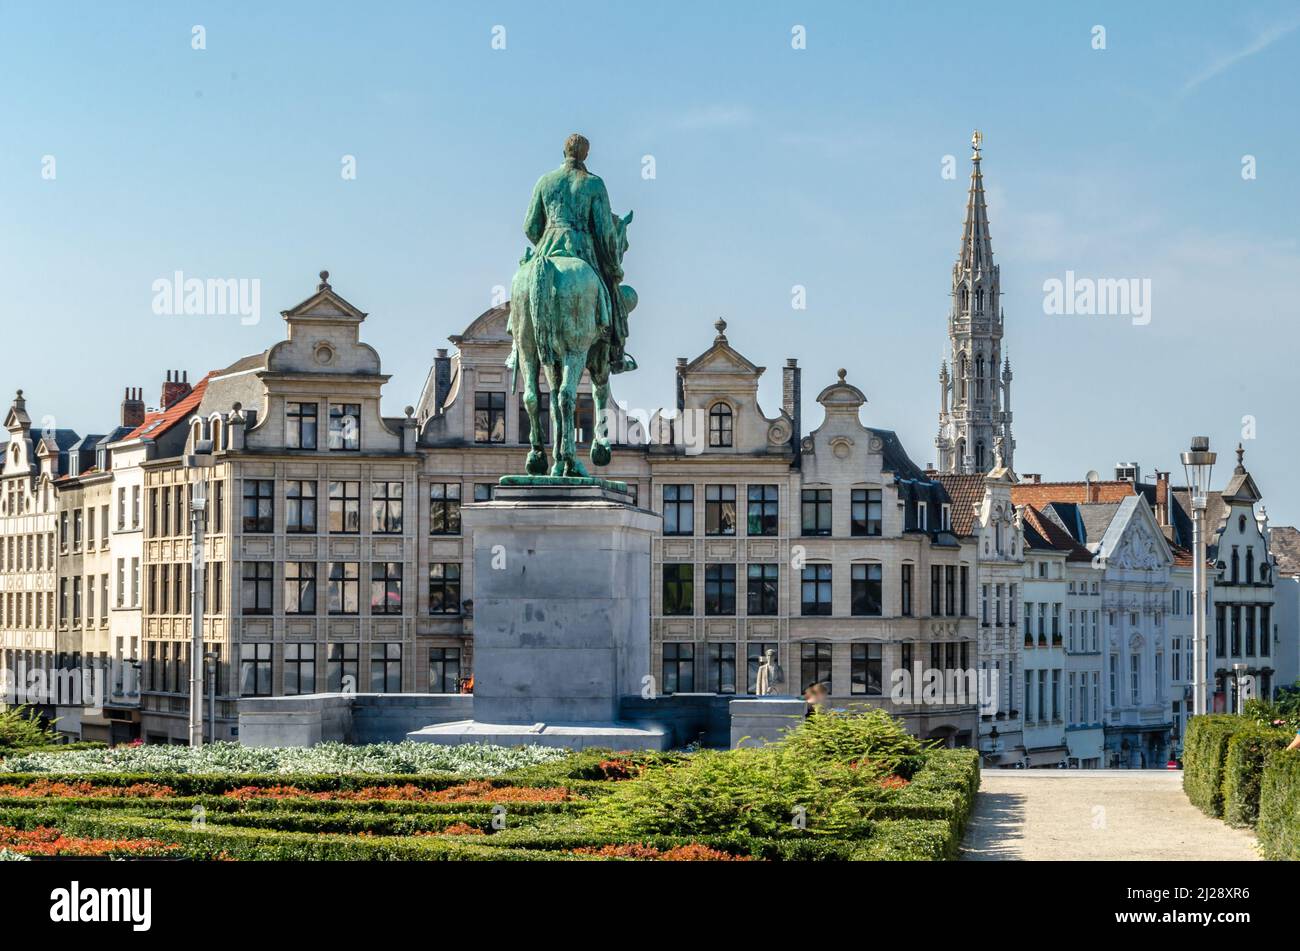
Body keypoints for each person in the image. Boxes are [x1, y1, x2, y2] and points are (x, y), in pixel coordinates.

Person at [522, 133, 635, 373]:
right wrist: (613, 266)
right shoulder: (593, 183)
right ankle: (616, 355)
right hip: (583, 250)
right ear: (586, 155)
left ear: (564, 153)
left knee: (523, 288)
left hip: (546, 247)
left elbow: (530, 227)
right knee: (612, 296)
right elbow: (605, 232)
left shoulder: (545, 181)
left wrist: (545, 239)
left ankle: (516, 351)